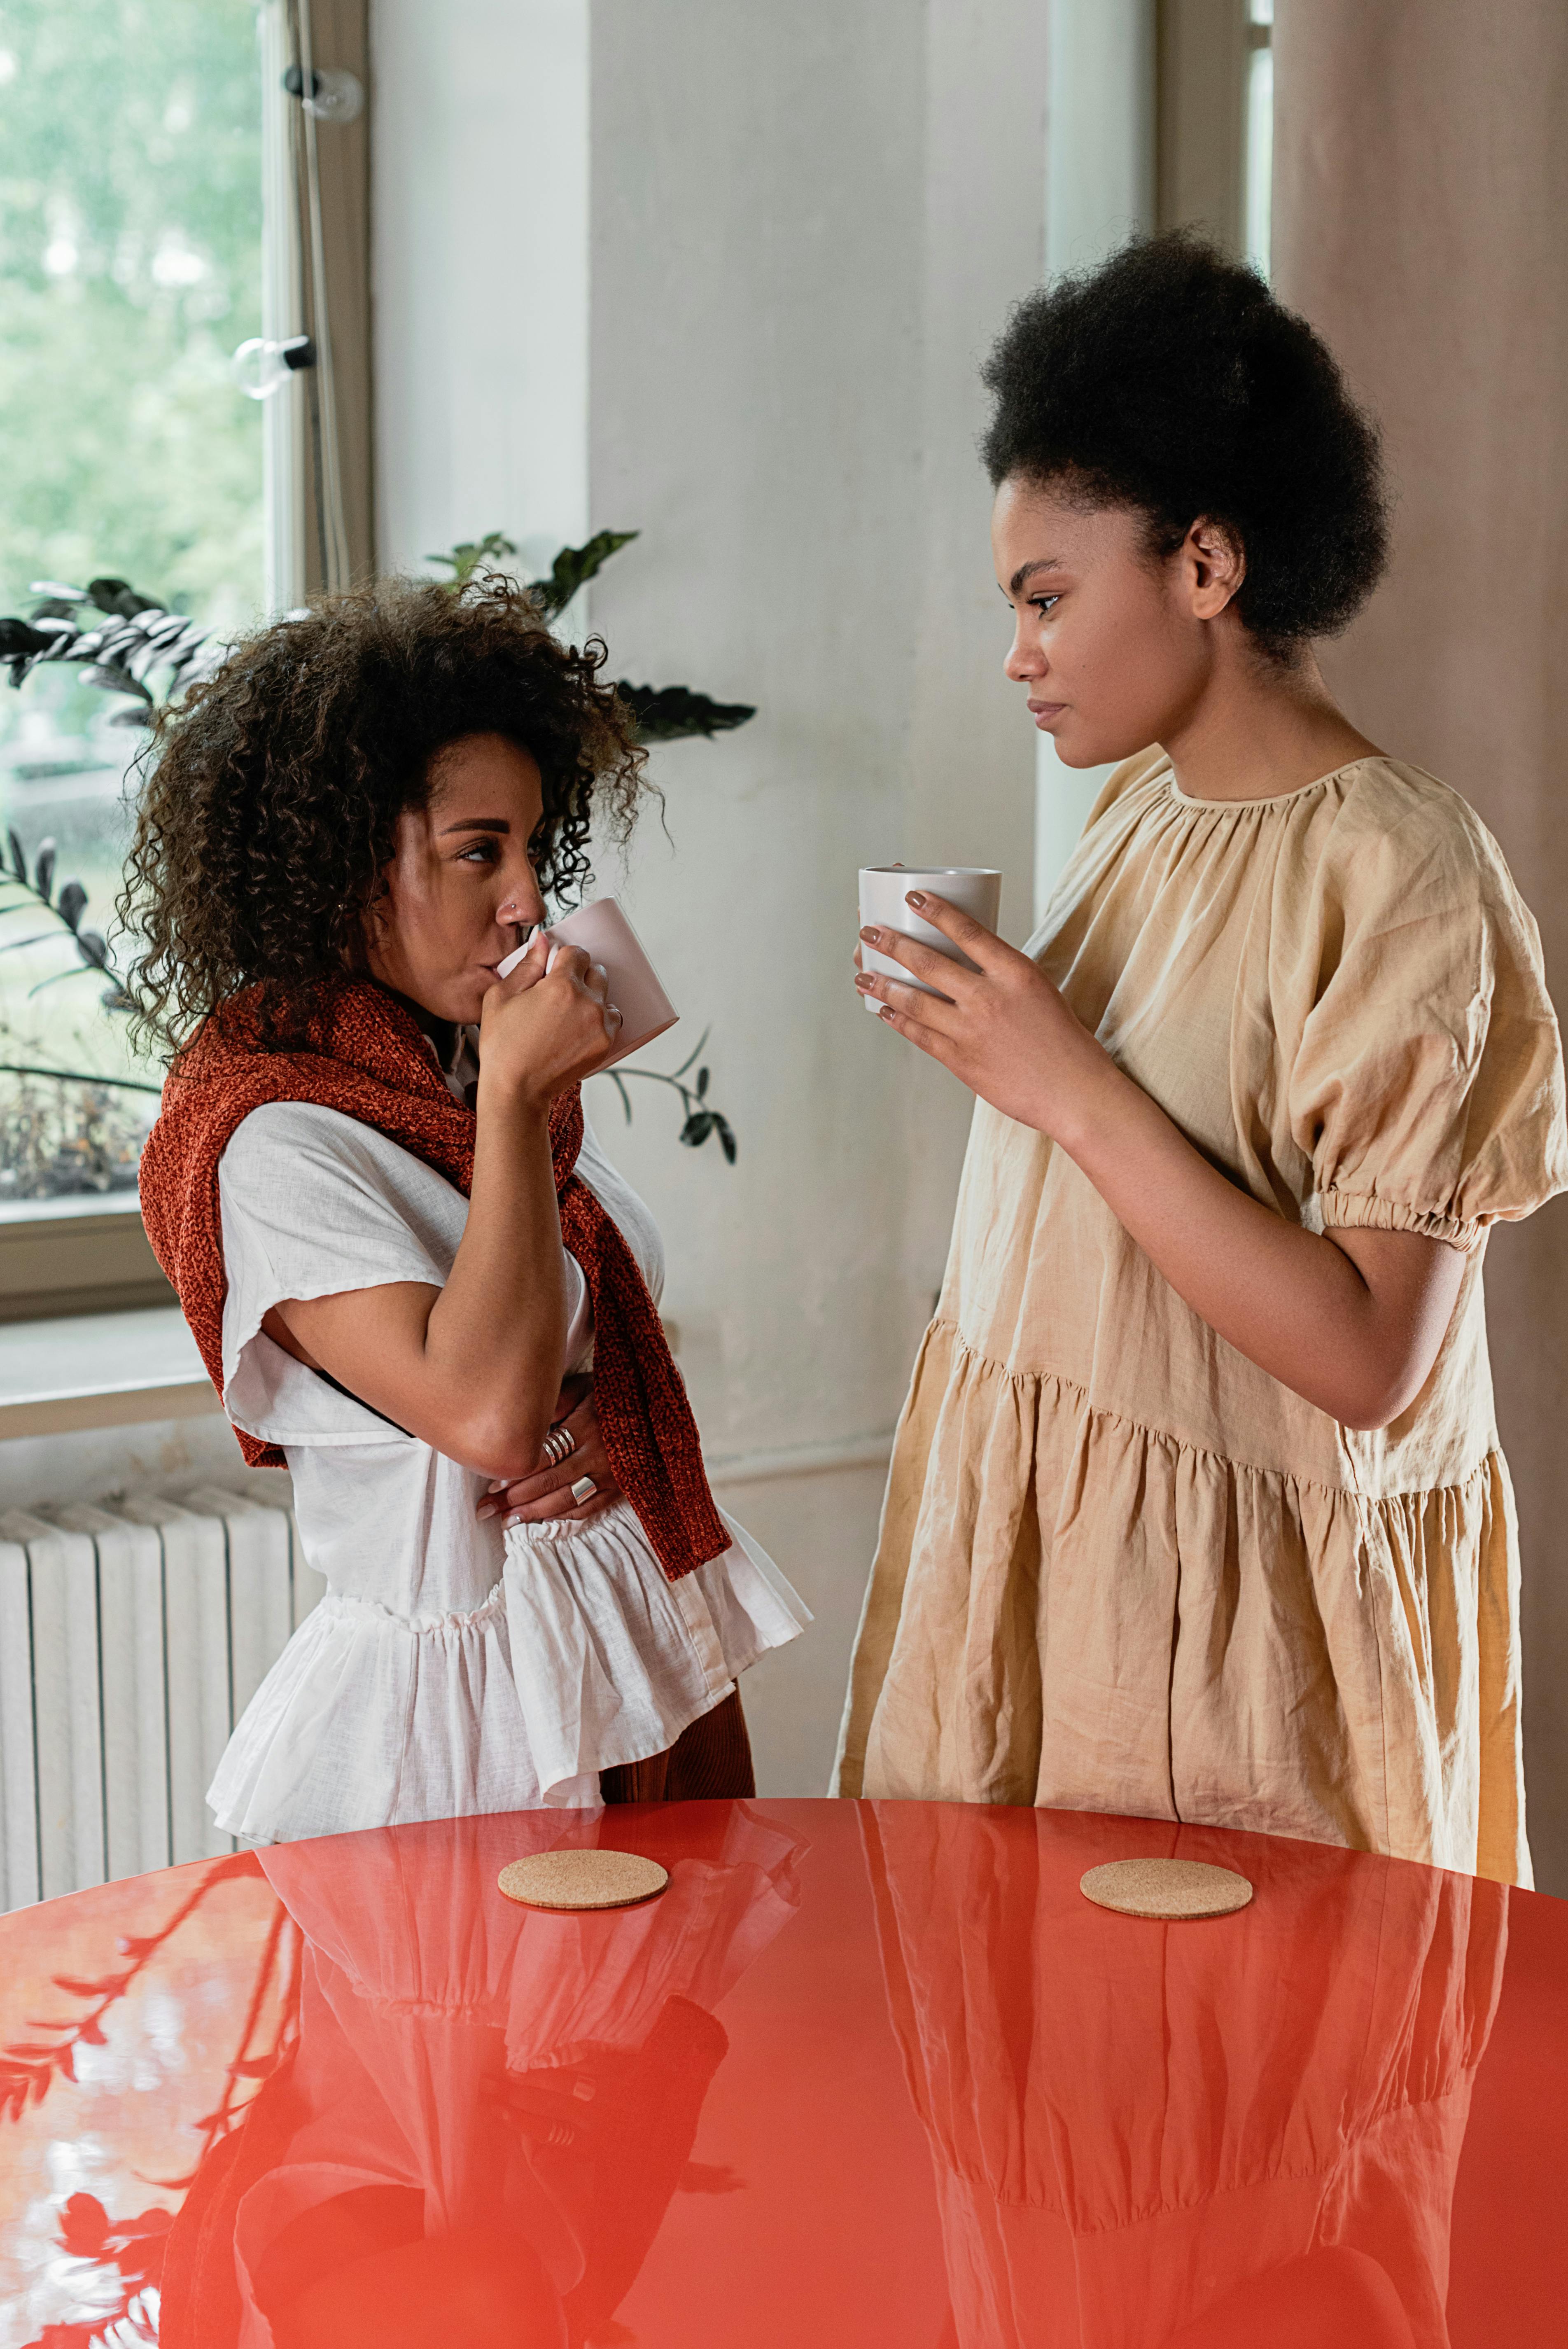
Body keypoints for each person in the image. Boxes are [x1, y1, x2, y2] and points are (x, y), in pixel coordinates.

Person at [835, 233, 1566, 1887]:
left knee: (1227, 2110)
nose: (1017, 652)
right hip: (1058, 1590)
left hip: (1233, 1663)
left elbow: (1371, 1357)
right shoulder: (1143, 812)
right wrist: (1007, 1055)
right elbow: (1131, 1172)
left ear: (1208, 567)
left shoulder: (1403, 873)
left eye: (1044, 599)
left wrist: (1064, 1086)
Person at [131, 575, 807, 1843]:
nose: (526, 904)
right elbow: (492, 1416)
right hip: (471, 1726)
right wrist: (512, 1101)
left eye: (528, 847)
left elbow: (564, 1355)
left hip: (630, 1647)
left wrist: (615, 1428)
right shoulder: (276, 1141)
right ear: (343, 867)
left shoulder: (452, 1076)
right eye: (475, 851)